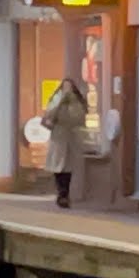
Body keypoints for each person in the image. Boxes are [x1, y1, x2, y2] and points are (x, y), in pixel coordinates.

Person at [43, 78, 87, 209]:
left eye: (70, 87)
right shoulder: (56, 100)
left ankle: (64, 194)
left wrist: (71, 102)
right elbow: (49, 116)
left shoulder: (77, 102)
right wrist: (60, 102)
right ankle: (61, 192)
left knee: (68, 167)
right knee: (57, 167)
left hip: (71, 138)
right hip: (58, 137)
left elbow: (79, 118)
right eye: (65, 87)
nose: (67, 90)